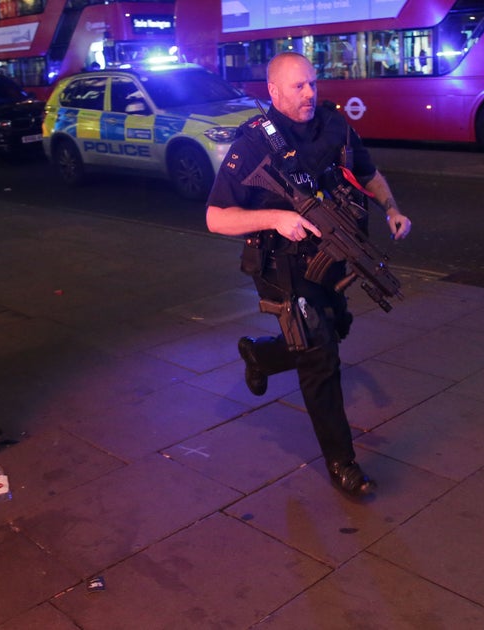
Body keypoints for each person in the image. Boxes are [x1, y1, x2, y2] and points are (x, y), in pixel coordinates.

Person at [205, 52, 411, 498]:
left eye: (312, 84)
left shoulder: (334, 125)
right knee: (320, 356)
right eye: (297, 87)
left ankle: (261, 356)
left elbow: (367, 172)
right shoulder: (254, 144)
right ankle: (343, 462)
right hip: (282, 264)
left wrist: (391, 208)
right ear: (274, 92)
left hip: (329, 256)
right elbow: (216, 218)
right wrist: (276, 218)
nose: (309, 94)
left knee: (336, 328)